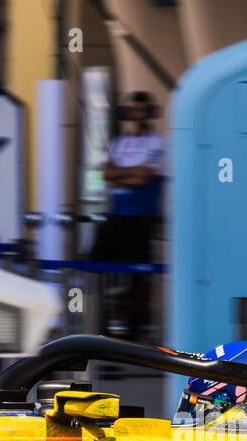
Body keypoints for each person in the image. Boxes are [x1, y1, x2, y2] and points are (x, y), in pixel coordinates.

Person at [90, 91, 164, 340]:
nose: (136, 116)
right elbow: (106, 174)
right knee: (95, 266)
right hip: (116, 214)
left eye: (141, 110)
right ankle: (97, 328)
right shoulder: (119, 142)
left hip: (141, 216)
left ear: (149, 113)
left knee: (137, 276)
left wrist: (120, 174)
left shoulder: (157, 142)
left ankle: (134, 334)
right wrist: (129, 173)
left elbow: (144, 178)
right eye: (131, 111)